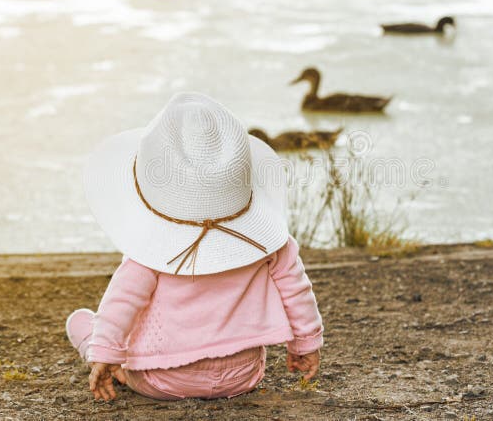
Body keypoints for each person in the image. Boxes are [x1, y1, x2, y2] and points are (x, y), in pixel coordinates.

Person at [65, 92, 323, 401]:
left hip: (163, 379)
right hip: (243, 374)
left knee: (81, 323)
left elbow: (123, 301)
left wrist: (106, 353)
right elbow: (297, 290)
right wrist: (305, 345)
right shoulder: (268, 243)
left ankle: (103, 356)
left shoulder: (151, 249)